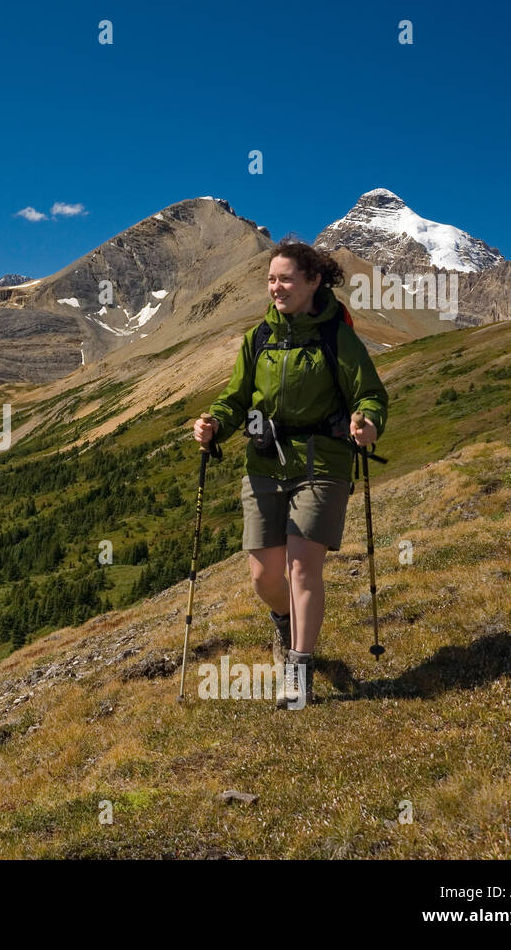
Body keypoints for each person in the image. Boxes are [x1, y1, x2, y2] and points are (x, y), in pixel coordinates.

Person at [192, 242, 388, 708]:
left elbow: (371, 393)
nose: (276, 288)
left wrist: (368, 421)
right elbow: (237, 397)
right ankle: (284, 619)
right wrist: (215, 421)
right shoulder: (258, 338)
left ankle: (298, 670)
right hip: (264, 463)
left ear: (313, 281)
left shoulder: (337, 338)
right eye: (271, 280)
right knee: (264, 576)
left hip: (323, 463)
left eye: (285, 279)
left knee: (303, 567)